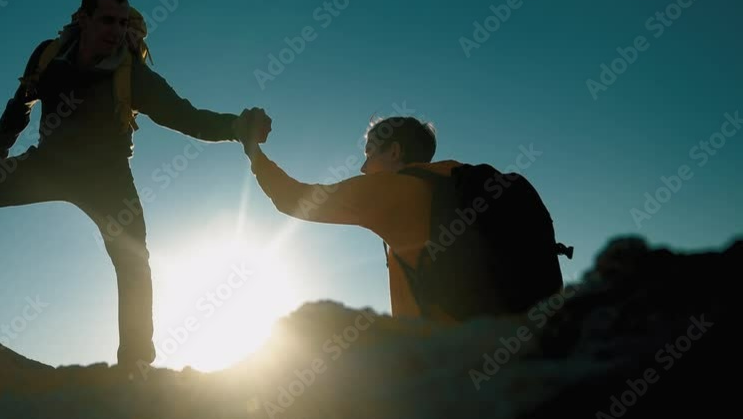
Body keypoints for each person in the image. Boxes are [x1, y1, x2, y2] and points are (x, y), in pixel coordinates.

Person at [0, 0, 263, 372]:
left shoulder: (134, 76)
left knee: (133, 258)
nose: (117, 31)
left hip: (107, 178)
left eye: (123, 23)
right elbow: (21, 104)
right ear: (83, 19)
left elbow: (186, 117)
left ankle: (137, 363)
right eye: (107, 21)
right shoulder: (48, 56)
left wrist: (239, 126)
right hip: (48, 166)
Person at [233, 109, 568, 322]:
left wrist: (252, 147)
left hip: (449, 373)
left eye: (369, 154)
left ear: (394, 151)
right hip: (516, 354)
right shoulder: (457, 178)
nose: (363, 168)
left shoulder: (391, 190)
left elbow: (291, 198)